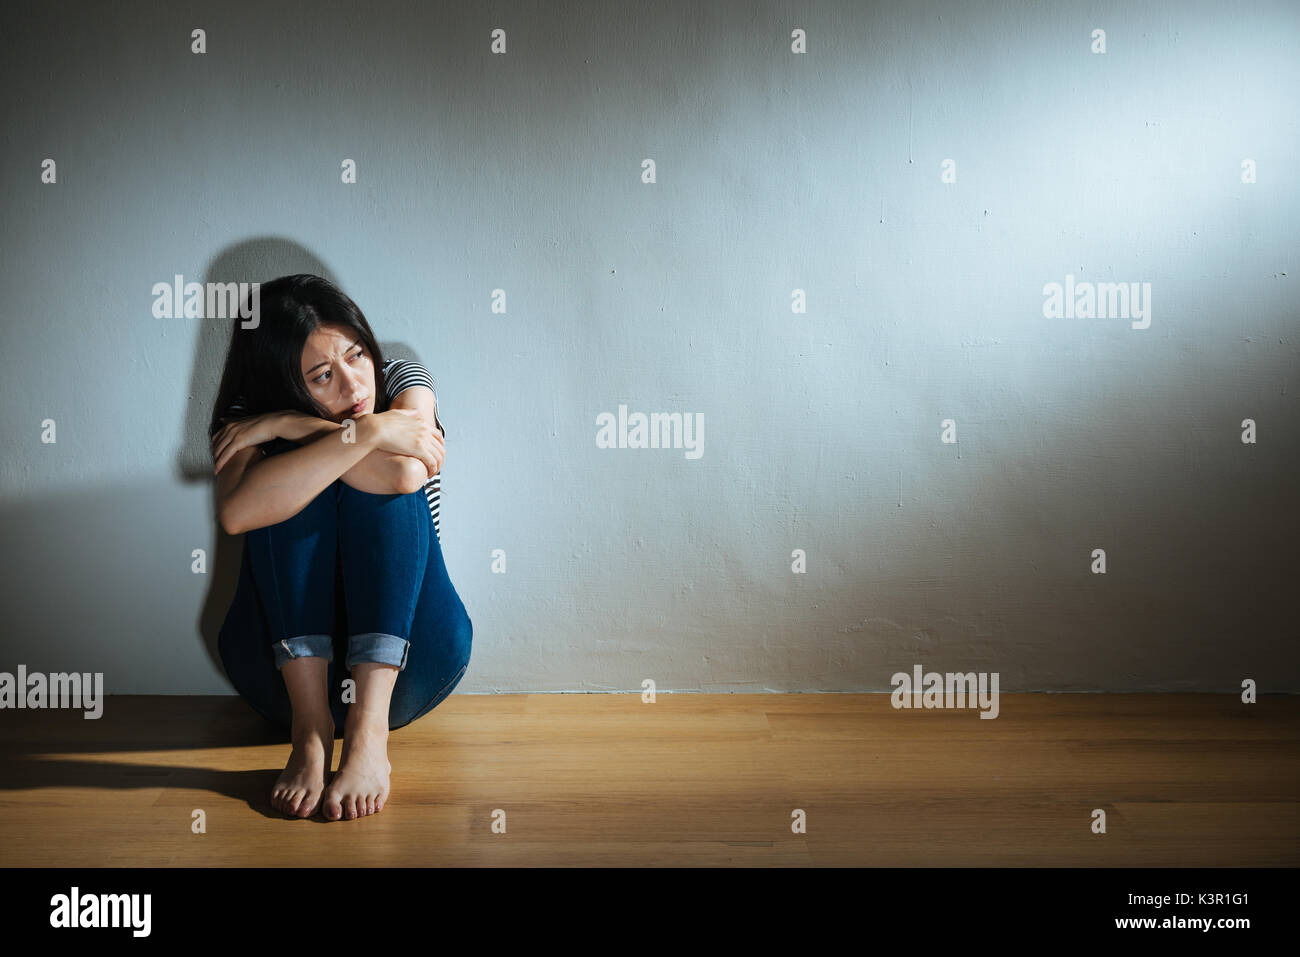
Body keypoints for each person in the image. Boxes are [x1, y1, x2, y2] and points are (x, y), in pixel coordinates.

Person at [208, 274, 472, 821]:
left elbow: (403, 475)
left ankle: (368, 735)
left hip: (412, 662)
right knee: (280, 491)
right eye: (323, 376)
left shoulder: (402, 377)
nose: (354, 387)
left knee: (379, 493)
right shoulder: (247, 413)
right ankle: (310, 734)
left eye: (356, 356)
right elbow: (239, 512)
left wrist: (292, 427)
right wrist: (365, 433)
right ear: (282, 382)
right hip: (278, 674)